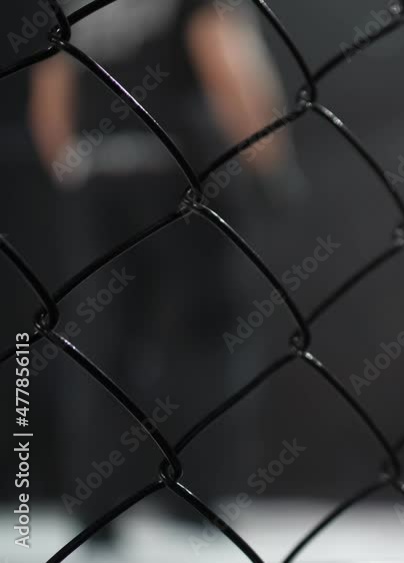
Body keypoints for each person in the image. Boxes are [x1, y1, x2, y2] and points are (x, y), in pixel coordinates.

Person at [26, 0, 306, 548]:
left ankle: (97, 507)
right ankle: (198, 499)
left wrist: (72, 173)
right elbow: (227, 63)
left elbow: (50, 92)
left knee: (100, 343)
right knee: (205, 332)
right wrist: (272, 164)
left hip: (100, 172)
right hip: (180, 171)